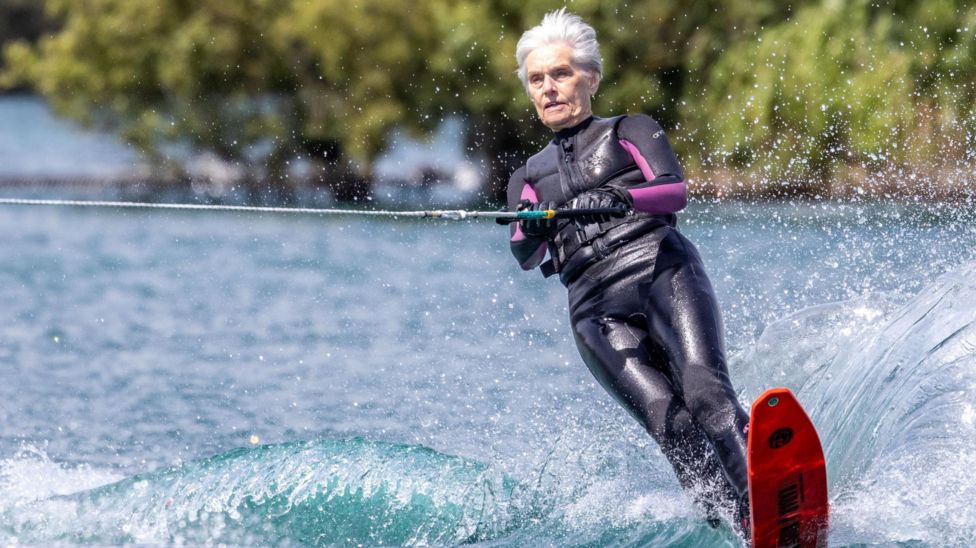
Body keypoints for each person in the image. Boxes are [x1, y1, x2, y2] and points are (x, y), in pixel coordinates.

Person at [505, 8, 751, 532]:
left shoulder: (629, 130)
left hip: (661, 270)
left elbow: (673, 190)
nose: (549, 88)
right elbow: (523, 254)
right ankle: (733, 528)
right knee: (672, 423)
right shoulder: (527, 176)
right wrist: (534, 225)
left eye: (561, 73)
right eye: (536, 79)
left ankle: (763, 505)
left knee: (706, 395)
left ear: (590, 78)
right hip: (594, 311)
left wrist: (615, 196)